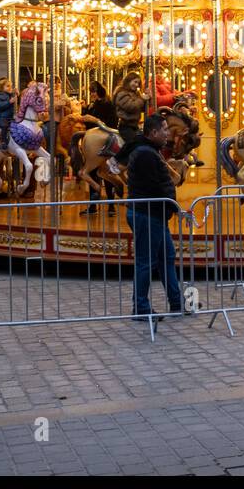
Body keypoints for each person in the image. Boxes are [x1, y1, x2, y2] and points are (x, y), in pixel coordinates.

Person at [124, 115, 183, 319]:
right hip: (147, 213)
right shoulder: (145, 154)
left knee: (166, 256)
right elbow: (155, 187)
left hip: (154, 213)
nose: (167, 133)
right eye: (164, 129)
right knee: (146, 261)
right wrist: (171, 206)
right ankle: (140, 307)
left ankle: (177, 301)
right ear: (153, 133)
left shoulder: (150, 151)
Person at [77, 82, 120, 216]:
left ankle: (111, 205)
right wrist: (84, 110)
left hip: (105, 140)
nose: (92, 94)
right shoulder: (93, 105)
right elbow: (87, 123)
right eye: (91, 91)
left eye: (94, 91)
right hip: (92, 143)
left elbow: (112, 124)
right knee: (93, 172)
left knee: (107, 172)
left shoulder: (109, 105)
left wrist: (95, 119)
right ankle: (93, 205)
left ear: (101, 91)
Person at [112, 72, 149, 145]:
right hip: (125, 126)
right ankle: (119, 156)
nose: (136, 85)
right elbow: (131, 106)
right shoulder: (122, 93)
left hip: (134, 126)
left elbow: (141, 108)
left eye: (138, 83)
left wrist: (148, 99)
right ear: (129, 80)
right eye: (135, 82)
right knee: (133, 144)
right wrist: (142, 99)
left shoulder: (135, 94)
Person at [0, 78, 16, 147]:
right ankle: (3, 141)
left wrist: (17, 95)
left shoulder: (9, 95)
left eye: (11, 86)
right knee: (4, 126)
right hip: (1, 117)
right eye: (8, 86)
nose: (10, 88)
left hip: (9, 116)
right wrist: (9, 102)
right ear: (1, 88)